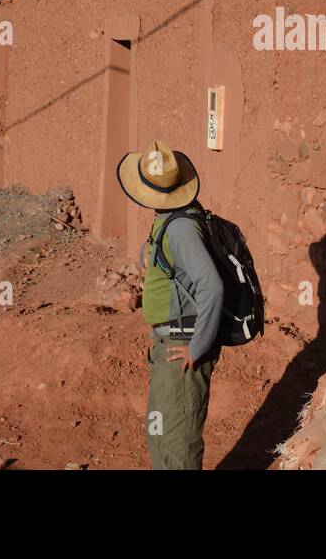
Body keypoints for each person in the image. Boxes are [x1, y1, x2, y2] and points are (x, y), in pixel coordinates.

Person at [116, 139, 223, 470]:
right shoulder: (170, 219)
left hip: (182, 346)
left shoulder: (181, 229)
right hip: (168, 343)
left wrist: (198, 346)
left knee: (178, 442)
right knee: (160, 431)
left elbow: (212, 287)